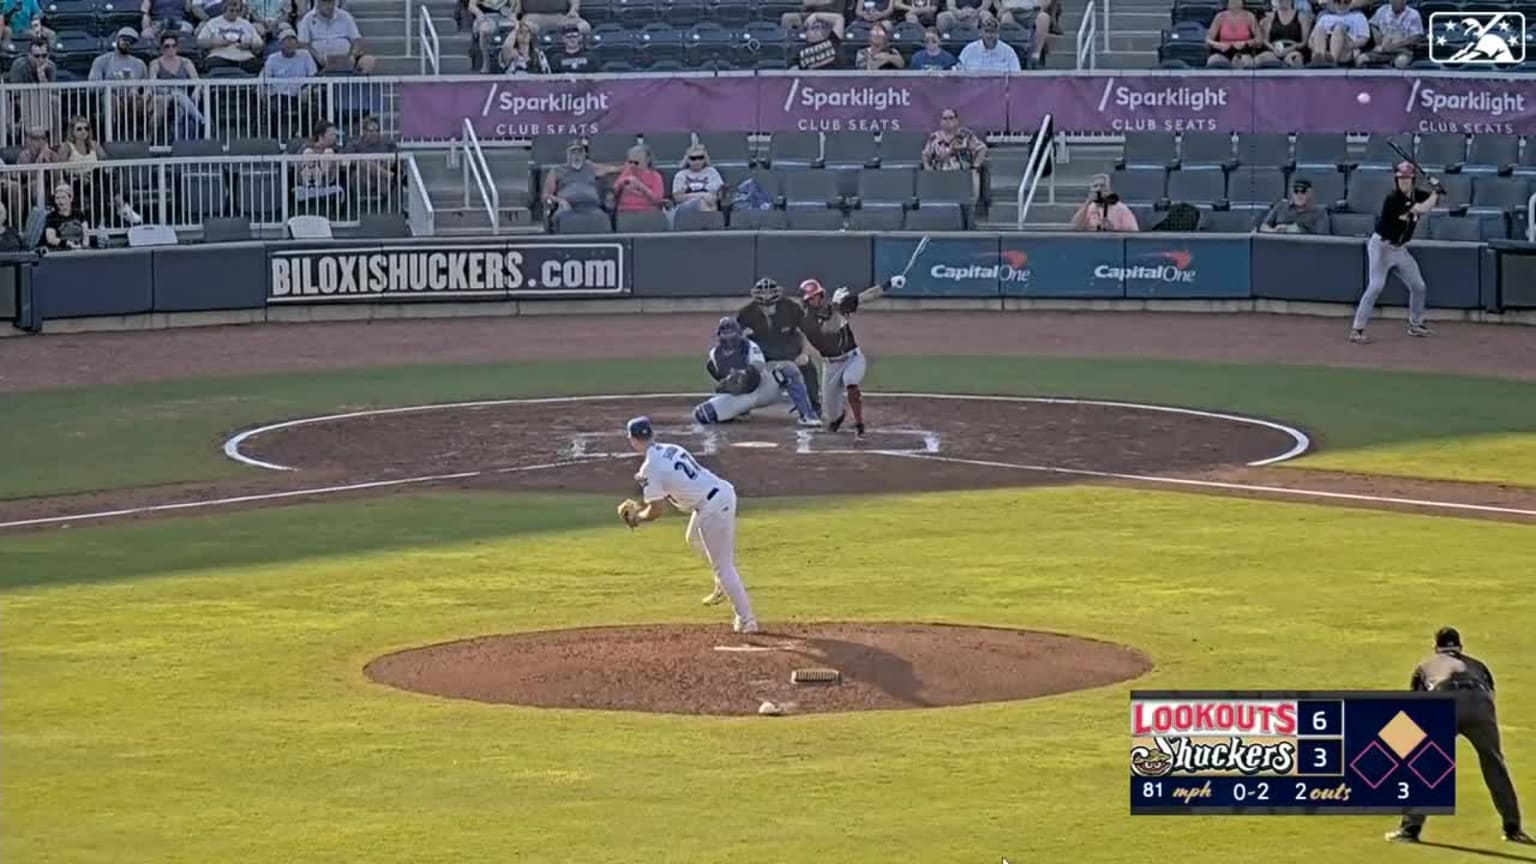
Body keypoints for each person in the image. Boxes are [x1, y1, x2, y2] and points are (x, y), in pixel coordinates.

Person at [1384, 627, 1533, 846]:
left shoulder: (1425, 666)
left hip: (1444, 703)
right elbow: (1490, 694)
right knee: (1494, 764)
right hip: (1480, 706)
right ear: (1460, 647)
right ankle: (1513, 828)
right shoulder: (1479, 665)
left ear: (1436, 647)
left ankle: (1410, 829)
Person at [616, 416, 759, 633]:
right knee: (692, 537)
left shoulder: (649, 468)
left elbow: (656, 511)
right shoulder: (671, 448)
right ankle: (722, 583)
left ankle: (747, 619)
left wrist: (637, 518)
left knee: (724, 567)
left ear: (632, 440)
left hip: (712, 507)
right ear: (652, 434)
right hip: (720, 493)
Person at [798, 274, 900, 439]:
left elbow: (864, 297)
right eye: (810, 299)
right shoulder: (807, 322)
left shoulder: (837, 306)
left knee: (850, 381)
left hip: (852, 358)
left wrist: (888, 285)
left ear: (822, 295)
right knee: (832, 415)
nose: (814, 301)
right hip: (831, 366)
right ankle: (838, 417)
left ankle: (860, 424)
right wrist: (836, 307)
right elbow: (829, 330)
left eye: (816, 296)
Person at [1349, 161, 1440, 343]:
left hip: (1399, 249)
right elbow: (1422, 208)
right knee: (1376, 286)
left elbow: (1434, 201)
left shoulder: (1416, 194)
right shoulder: (1393, 198)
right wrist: (1436, 193)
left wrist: (1438, 189)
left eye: (1407, 178)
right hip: (1381, 247)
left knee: (1418, 286)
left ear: (1413, 180)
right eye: (1400, 178)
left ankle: (1416, 324)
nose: (1403, 182)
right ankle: (1357, 329)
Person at [693, 317, 820, 427]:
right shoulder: (714, 355)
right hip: (740, 397)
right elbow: (721, 377)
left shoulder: (749, 346)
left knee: (788, 368)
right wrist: (728, 385)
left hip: (761, 390)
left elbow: (757, 373)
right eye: (725, 334)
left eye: (730, 333)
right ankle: (740, 411)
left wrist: (742, 377)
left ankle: (807, 414)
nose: (728, 337)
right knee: (702, 414)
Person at [736, 277, 822, 420]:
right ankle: (741, 406)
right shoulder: (746, 313)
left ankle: (813, 407)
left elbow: (806, 332)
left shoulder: (791, 308)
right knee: (742, 369)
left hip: (788, 350)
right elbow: (737, 339)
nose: (767, 306)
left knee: (808, 367)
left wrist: (804, 353)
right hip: (762, 354)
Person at [147, 32, 205, 136]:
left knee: (180, 109)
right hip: (163, 94)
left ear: (177, 47)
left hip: (182, 95)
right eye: (167, 46)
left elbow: (197, 80)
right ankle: (200, 118)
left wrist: (197, 89)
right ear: (162, 48)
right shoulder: (155, 63)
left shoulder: (186, 62)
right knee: (176, 94)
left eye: (174, 46)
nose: (171, 48)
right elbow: (152, 82)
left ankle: (178, 140)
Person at [298, 0, 375, 72]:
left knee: (368, 61)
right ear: (318, 3)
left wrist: (352, 56)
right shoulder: (308, 19)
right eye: (324, 2)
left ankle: (354, 79)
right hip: (318, 61)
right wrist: (317, 57)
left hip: (345, 59)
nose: (328, 6)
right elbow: (303, 44)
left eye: (330, 2)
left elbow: (357, 40)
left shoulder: (345, 16)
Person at [198, 0, 264, 73]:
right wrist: (215, 42)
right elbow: (200, 42)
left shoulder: (246, 24)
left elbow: (259, 44)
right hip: (220, 56)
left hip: (244, 58)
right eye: (231, 10)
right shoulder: (213, 23)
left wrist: (249, 45)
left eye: (237, 11)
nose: (234, 13)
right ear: (224, 9)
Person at [542, 139, 602, 219]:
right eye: (573, 152)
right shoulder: (557, 170)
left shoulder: (591, 167)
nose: (576, 156)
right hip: (568, 207)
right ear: (568, 155)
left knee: (602, 218)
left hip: (592, 207)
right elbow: (546, 195)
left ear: (584, 155)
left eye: (579, 152)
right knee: (561, 218)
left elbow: (614, 169)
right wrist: (560, 201)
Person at [1357, 0, 1420, 68]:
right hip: (1383, 49)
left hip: (1403, 51)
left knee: (1400, 62)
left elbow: (1415, 39)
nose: (1397, 2)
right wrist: (1380, 43)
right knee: (1360, 59)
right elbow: (1373, 25)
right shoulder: (1382, 10)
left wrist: (1394, 46)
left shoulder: (1414, 14)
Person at [1070, 173, 1139, 232]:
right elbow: (1075, 227)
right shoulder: (1088, 207)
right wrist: (1087, 202)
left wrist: (1113, 230)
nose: (1098, 189)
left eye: (1102, 186)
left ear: (1109, 190)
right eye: (1095, 186)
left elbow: (1133, 232)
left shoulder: (1121, 208)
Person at [1259, 177, 1331, 234]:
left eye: (1303, 191)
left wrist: (1299, 231)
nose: (1299, 195)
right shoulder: (1280, 206)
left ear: (1310, 193)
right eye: (1296, 191)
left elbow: (1322, 238)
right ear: (1292, 193)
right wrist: (1274, 231)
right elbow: (1263, 227)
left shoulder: (1319, 212)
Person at [1308, 0, 1368, 64]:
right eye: (1338, 2)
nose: (1342, 5)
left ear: (1350, 4)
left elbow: (1364, 38)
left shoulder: (1358, 17)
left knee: (1338, 29)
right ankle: (1320, 58)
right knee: (1320, 29)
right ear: (1334, 3)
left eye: (1346, 2)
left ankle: (1332, 59)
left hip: (1345, 48)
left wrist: (1351, 45)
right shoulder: (1324, 18)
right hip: (1325, 46)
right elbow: (1311, 40)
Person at [612, 146, 666, 214]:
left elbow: (657, 199)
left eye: (637, 161)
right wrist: (622, 183)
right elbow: (613, 192)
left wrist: (640, 186)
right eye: (631, 161)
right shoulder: (627, 173)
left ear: (647, 160)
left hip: (647, 211)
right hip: (625, 211)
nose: (633, 164)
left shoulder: (655, 176)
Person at [1254, 0, 1309, 67]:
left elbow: (1304, 42)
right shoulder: (1268, 18)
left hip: (1293, 50)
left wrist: (1293, 47)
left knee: (1295, 59)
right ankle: (1279, 64)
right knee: (1259, 59)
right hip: (1274, 51)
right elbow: (1265, 40)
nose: (1280, 1)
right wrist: (1273, 49)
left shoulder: (1302, 18)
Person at [1206, 0, 1260, 66]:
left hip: (1244, 51)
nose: (1235, 2)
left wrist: (1246, 43)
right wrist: (1218, 45)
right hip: (1224, 52)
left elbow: (1259, 39)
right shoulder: (1220, 16)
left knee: (1246, 61)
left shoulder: (1250, 16)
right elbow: (1208, 40)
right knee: (1214, 60)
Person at [672, 143, 724, 212]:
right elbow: (678, 198)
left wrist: (710, 198)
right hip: (686, 207)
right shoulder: (681, 175)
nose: (697, 161)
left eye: (700, 158)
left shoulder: (712, 172)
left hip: (709, 205)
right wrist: (701, 196)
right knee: (701, 203)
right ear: (688, 160)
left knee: (710, 205)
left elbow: (719, 195)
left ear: (705, 159)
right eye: (693, 159)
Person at [957, 18, 1021, 72]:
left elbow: (1016, 76)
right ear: (980, 32)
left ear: (998, 34)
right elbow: (958, 74)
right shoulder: (968, 50)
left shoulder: (1008, 52)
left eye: (993, 31)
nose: (989, 35)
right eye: (986, 31)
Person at [469, 0, 516, 72]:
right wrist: (478, 13)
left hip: (503, 16)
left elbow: (514, 5)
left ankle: (509, 62)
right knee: (484, 30)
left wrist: (510, 11)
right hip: (485, 17)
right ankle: (486, 62)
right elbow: (471, 6)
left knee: (515, 27)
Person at [44, 183, 90, 251]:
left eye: (63, 197)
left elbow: (86, 235)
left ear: (71, 198)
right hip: (60, 252)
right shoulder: (51, 216)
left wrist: (84, 248)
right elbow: (51, 239)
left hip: (79, 250)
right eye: (57, 198)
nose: (60, 201)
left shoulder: (79, 214)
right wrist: (67, 243)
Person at [519, 0, 589, 35]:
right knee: (523, 29)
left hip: (559, 17)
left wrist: (574, 9)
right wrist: (516, 17)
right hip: (532, 18)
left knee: (584, 27)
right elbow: (516, 6)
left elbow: (575, 3)